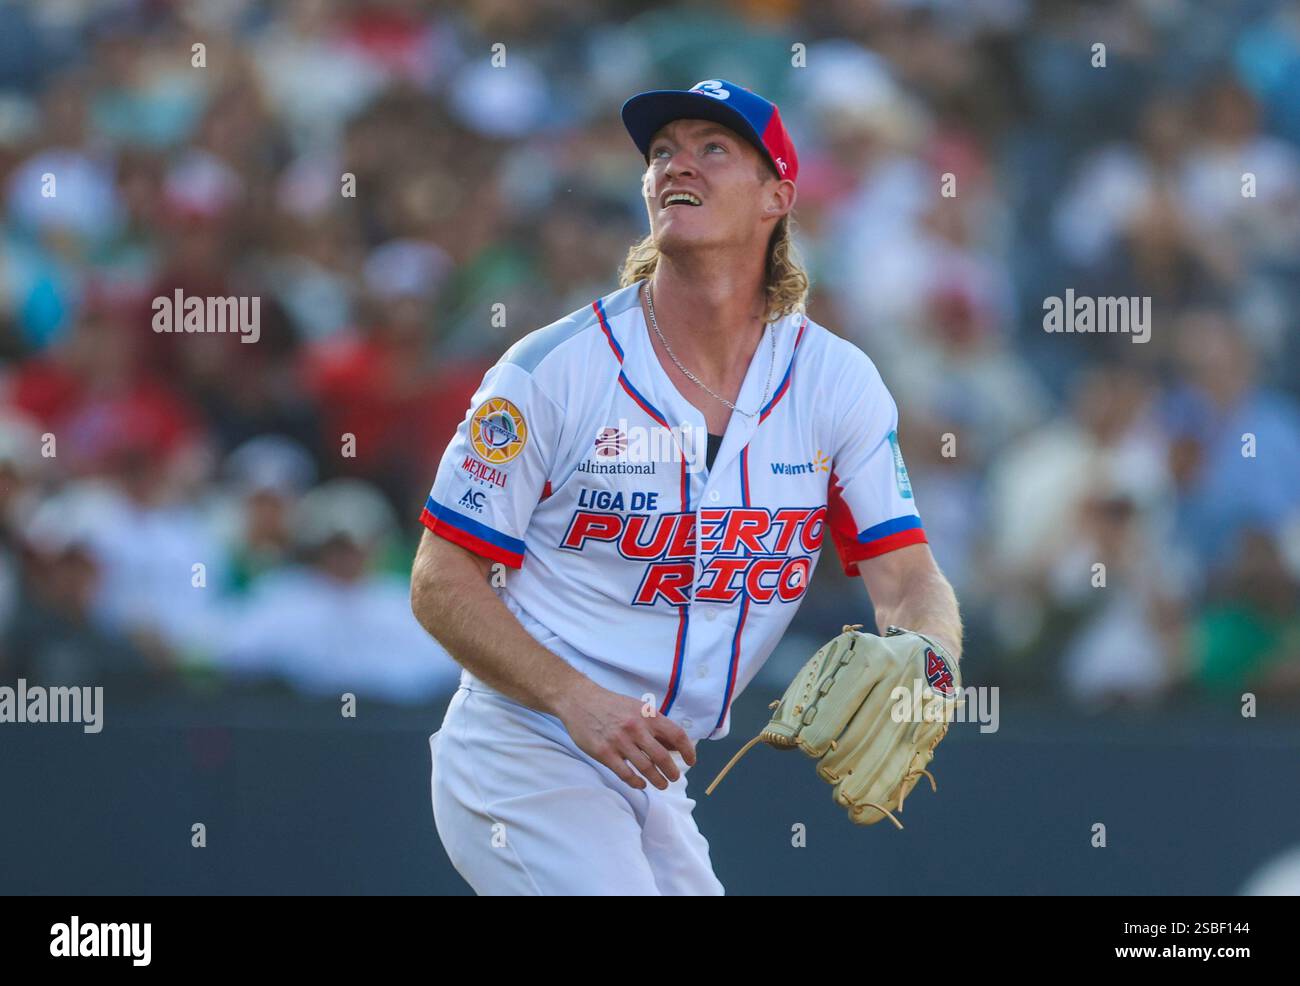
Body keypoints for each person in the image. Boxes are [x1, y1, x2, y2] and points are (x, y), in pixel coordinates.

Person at [410, 80, 962, 895]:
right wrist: (573, 697)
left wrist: (933, 663)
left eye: (713, 148)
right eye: (663, 151)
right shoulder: (552, 371)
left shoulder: (834, 382)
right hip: (523, 749)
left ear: (778, 194)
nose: (679, 166)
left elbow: (909, 579)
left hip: (653, 778)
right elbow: (437, 580)